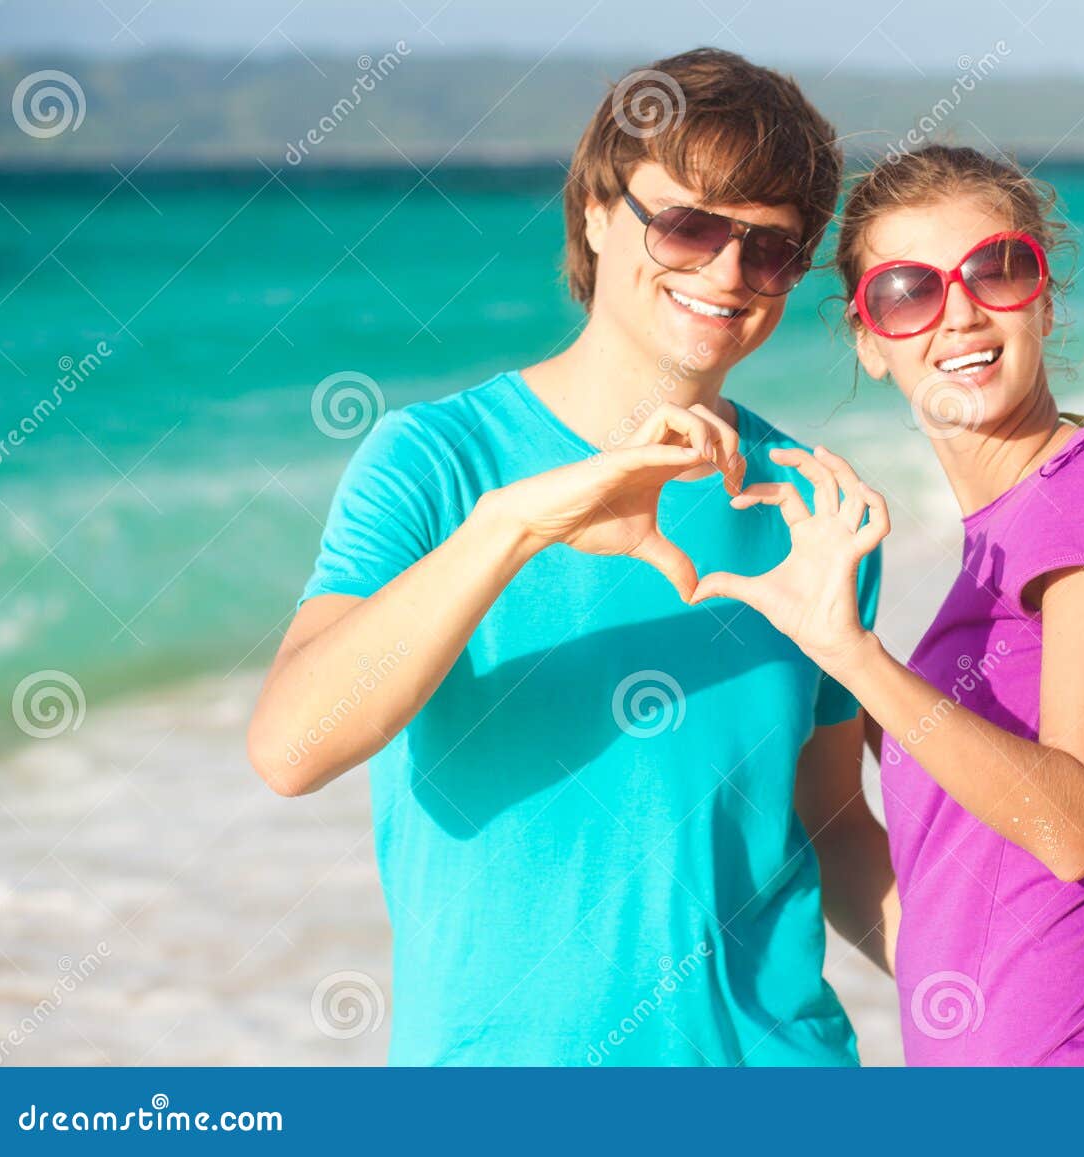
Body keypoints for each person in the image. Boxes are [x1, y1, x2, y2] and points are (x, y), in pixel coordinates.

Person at [246, 48, 897, 1066]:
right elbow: (293, 748)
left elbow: (835, 827)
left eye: (768, 249)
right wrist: (514, 527)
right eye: (686, 225)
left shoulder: (810, 505)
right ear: (596, 212)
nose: (725, 273)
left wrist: (1008, 1000)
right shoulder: (437, 462)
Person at [691, 145, 1084, 1065]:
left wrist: (854, 656)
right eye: (909, 291)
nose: (961, 312)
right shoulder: (996, 546)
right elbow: (941, 870)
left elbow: (1073, 822)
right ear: (869, 337)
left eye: (997, 269)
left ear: (1043, 296)